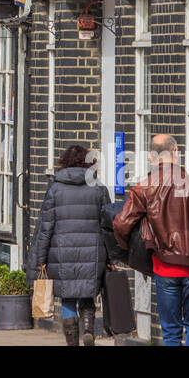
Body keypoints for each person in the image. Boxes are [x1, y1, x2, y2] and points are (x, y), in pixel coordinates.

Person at [113, 134, 189, 346]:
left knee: (170, 331)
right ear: (176, 154)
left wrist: (129, 250)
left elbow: (122, 224)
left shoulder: (143, 188)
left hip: (164, 268)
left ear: (151, 157)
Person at [29, 144, 110, 346]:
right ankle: (89, 330)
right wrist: (112, 257)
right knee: (87, 295)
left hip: (61, 254)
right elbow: (108, 226)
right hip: (92, 253)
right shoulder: (98, 188)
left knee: (67, 298)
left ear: (63, 162)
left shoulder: (55, 188)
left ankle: (72, 342)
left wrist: (40, 260)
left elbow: (45, 227)